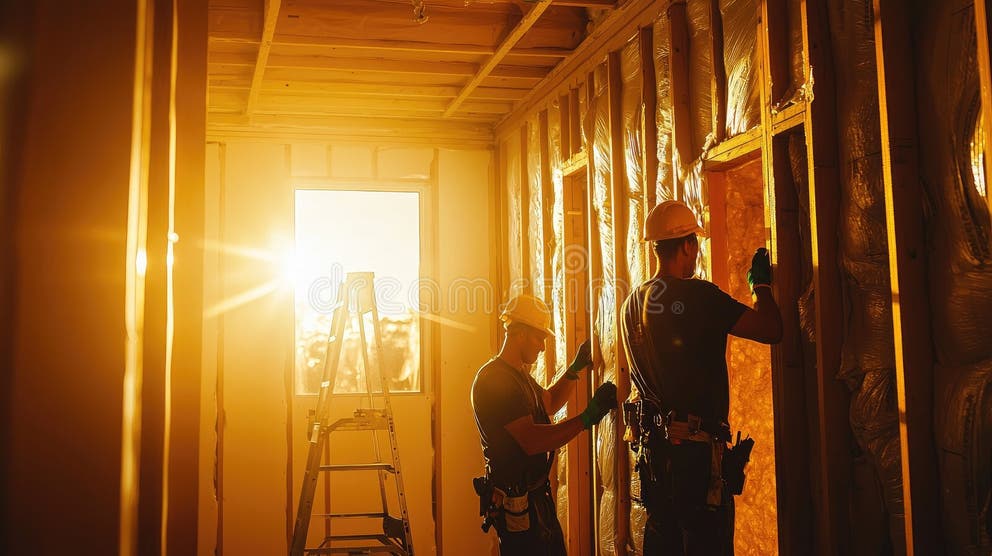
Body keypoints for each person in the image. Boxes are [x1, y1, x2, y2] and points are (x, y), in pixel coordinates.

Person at [620, 200, 783, 555]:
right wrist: (762, 288)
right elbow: (771, 328)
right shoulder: (699, 296)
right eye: (695, 244)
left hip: (655, 460)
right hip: (695, 464)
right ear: (687, 245)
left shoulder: (632, 303)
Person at [471, 293, 618, 555]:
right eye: (539, 337)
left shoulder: (519, 376)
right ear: (520, 333)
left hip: (537, 501)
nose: (542, 346)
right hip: (518, 508)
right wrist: (586, 419)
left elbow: (548, 402)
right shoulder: (495, 381)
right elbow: (532, 440)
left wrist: (574, 369)